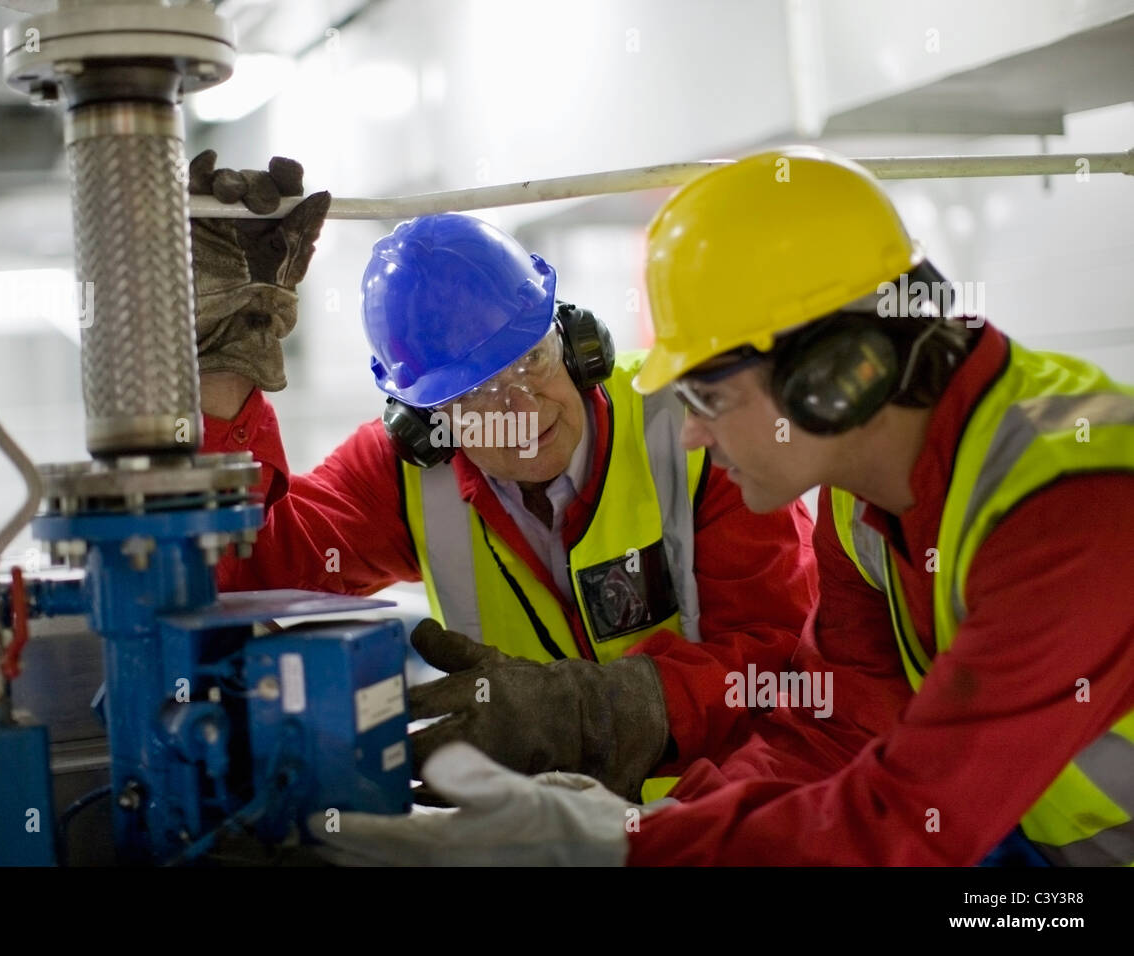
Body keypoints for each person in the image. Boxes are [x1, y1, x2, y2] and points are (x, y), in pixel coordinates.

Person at [308, 146, 1134, 866]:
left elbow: (896, 825)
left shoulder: (1072, 509)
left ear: (834, 376)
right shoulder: (863, 504)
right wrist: (652, 822)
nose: (691, 438)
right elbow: (828, 733)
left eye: (707, 393)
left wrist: (619, 851)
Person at [187, 151, 817, 799]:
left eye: (532, 359)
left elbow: (783, 662)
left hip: (720, 833)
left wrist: (595, 712)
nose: (523, 408)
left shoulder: (695, 428)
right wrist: (223, 371)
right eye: (480, 393)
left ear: (573, 337)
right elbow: (238, 574)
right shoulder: (402, 470)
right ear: (424, 418)